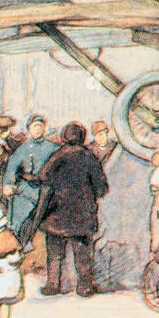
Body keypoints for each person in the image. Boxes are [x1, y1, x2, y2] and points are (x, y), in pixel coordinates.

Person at [37, 122, 108, 297]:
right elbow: (102, 188)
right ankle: (84, 287)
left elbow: (43, 176)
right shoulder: (89, 157)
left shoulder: (58, 155)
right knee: (82, 253)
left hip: (57, 213)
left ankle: (52, 285)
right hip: (81, 214)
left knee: (54, 252)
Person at [3, 115, 58, 247]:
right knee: (20, 221)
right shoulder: (23, 148)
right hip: (25, 191)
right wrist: (8, 184)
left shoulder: (53, 148)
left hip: (46, 191)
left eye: (40, 126)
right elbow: (12, 167)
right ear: (29, 129)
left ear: (44, 128)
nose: (37, 129)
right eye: (34, 126)